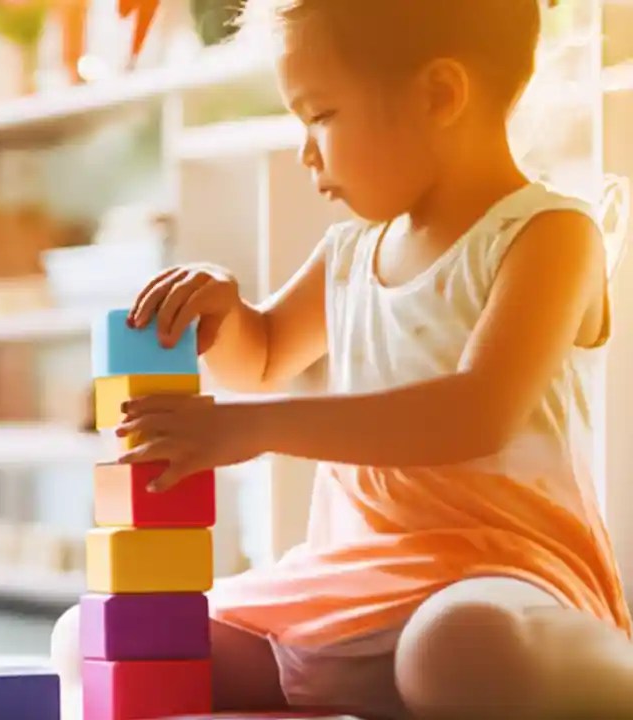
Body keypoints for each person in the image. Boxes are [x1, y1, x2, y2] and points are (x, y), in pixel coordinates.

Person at [53, 1, 633, 719]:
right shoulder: (351, 254)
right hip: (344, 588)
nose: (306, 152)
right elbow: (261, 358)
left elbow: (475, 413)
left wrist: (249, 429)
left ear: (440, 95)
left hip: (500, 577)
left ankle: (614, 666)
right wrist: (227, 318)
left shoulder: (549, 236)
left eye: (320, 115)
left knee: (459, 647)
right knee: (99, 635)